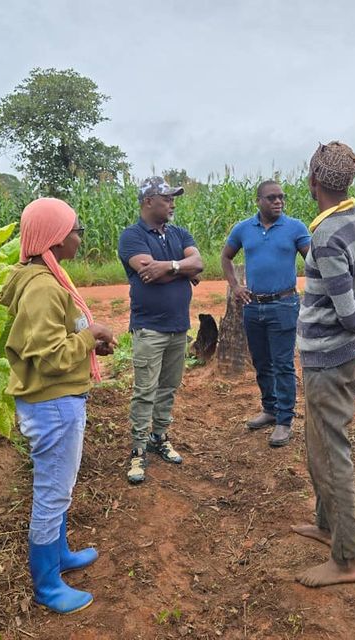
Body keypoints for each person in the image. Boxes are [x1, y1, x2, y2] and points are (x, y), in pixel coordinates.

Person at [0, 197, 117, 614]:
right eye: (75, 230)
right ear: (54, 237)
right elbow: (50, 357)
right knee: (52, 492)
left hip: (56, 399)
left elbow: (52, 342)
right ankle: (47, 584)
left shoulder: (47, 277)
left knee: (60, 486)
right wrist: (90, 335)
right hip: (52, 405)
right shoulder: (44, 288)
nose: (80, 237)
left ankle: (60, 554)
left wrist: (88, 346)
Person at [288, 141, 355, 588]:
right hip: (337, 355)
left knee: (330, 454)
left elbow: (346, 311)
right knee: (317, 446)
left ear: (313, 181)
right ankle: (326, 525)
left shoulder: (325, 235)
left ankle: (345, 559)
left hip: (329, 358)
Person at [118, 176, 205, 484]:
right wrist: (183, 268)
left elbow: (198, 263)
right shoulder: (132, 236)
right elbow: (148, 272)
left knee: (168, 387)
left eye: (172, 198)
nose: (172, 203)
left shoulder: (179, 233)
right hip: (149, 328)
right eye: (166, 198)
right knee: (145, 391)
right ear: (148, 201)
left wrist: (170, 267)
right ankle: (138, 449)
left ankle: (159, 436)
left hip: (178, 327)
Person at [221, 180, 311, 447]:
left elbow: (314, 261)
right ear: (258, 200)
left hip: (283, 305)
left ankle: (285, 420)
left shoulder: (295, 228)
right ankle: (270, 409)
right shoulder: (243, 229)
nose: (278, 202)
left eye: (281, 197)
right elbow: (226, 257)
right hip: (253, 306)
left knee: (283, 364)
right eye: (272, 198)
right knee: (261, 362)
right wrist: (235, 286)